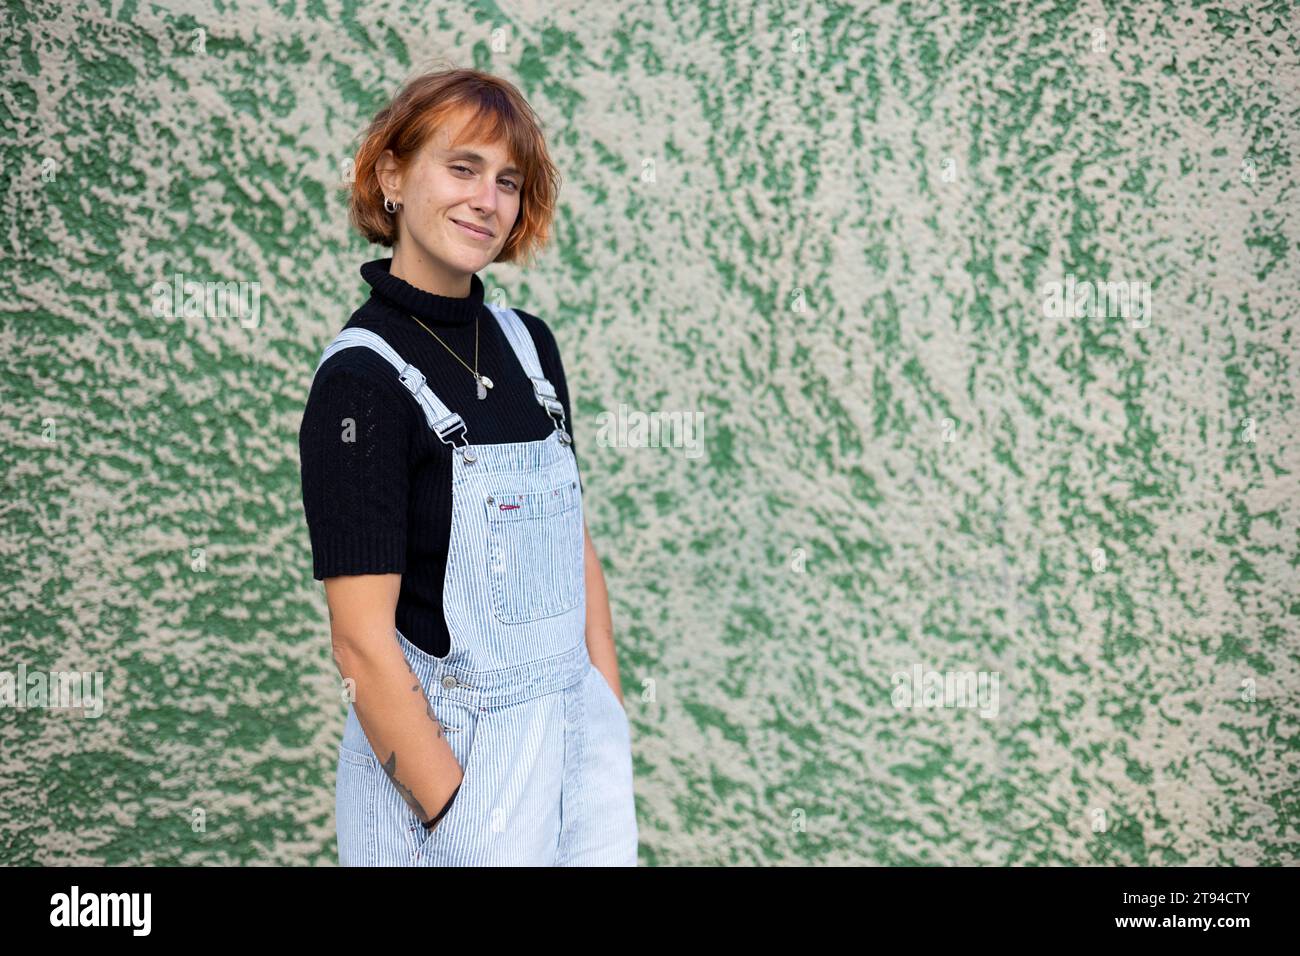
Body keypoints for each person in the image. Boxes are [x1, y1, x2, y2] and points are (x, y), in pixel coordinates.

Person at [298, 66, 637, 866]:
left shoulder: (530, 347)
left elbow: (574, 550)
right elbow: (359, 644)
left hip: (574, 767)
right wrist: (459, 816)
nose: (488, 199)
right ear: (392, 176)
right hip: (457, 796)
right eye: (462, 168)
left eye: (508, 181)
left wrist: (603, 724)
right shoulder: (362, 382)